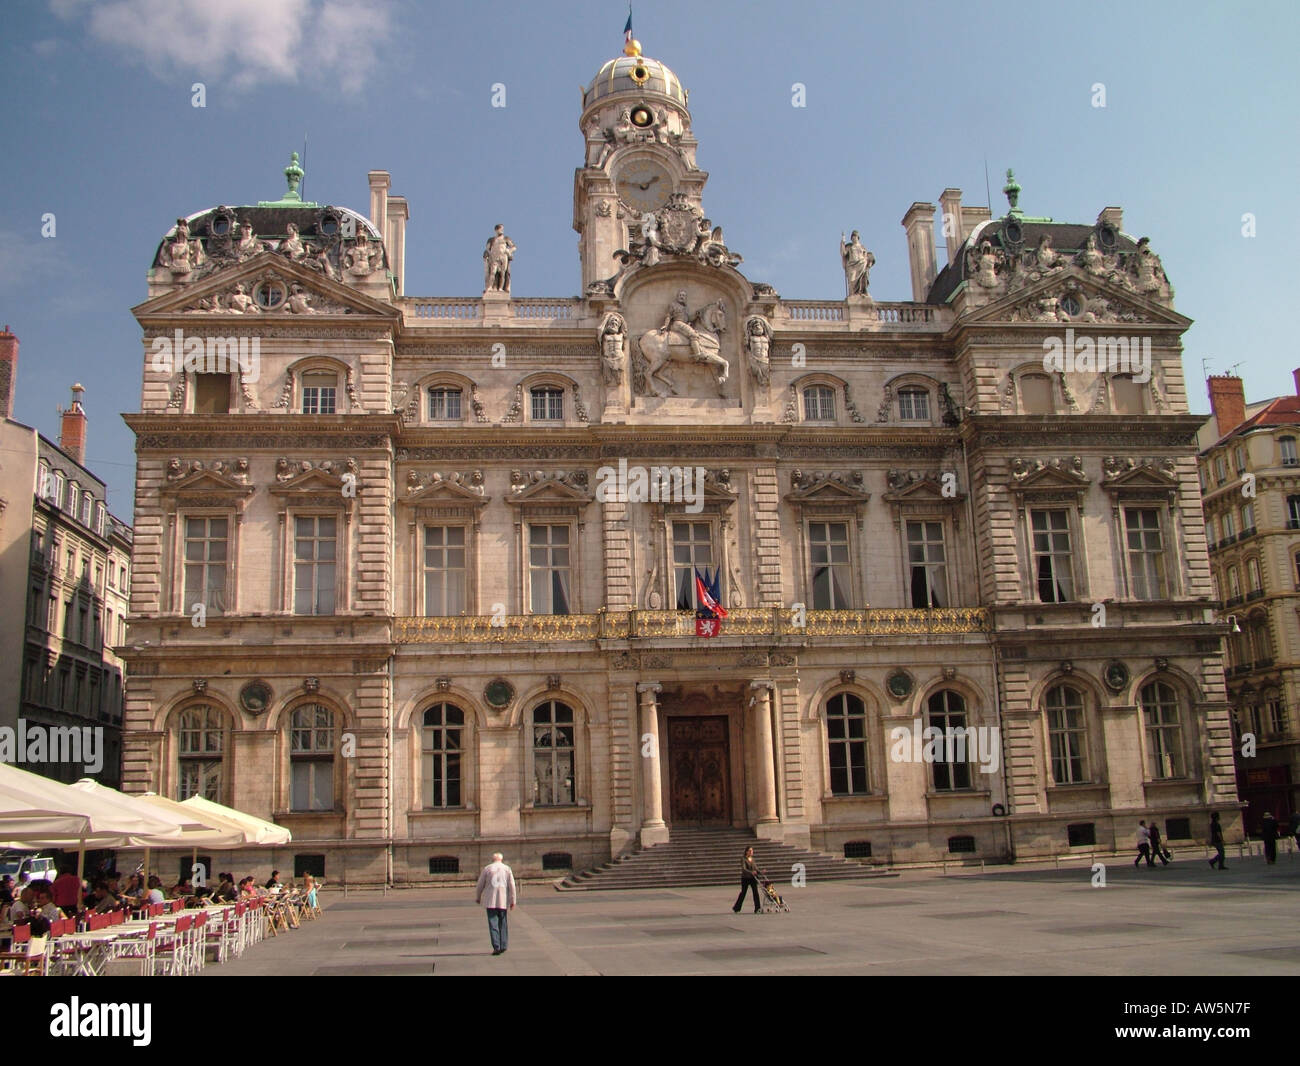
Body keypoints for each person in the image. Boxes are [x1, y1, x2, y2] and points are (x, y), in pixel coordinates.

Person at [474, 852, 516, 956]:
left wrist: (478, 897)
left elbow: (480, 884)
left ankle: (496, 946)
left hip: (490, 901)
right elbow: (512, 886)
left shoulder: (487, 869)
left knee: (493, 924)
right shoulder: (507, 869)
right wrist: (513, 900)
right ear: (501, 859)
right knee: (503, 923)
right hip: (503, 900)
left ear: (493, 859)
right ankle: (503, 945)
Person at [733, 847, 762, 913]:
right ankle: (737, 908)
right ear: (746, 852)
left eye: (752, 851)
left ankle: (757, 908)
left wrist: (760, 872)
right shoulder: (743, 859)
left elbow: (755, 868)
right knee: (743, 893)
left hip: (753, 878)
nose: (751, 852)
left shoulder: (752, 859)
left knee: (755, 893)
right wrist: (751, 872)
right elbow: (744, 869)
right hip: (745, 878)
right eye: (750, 851)